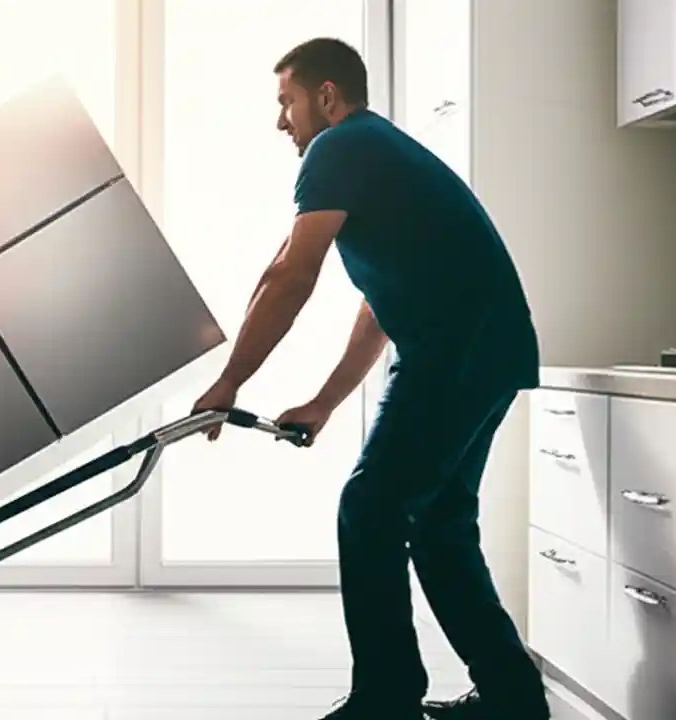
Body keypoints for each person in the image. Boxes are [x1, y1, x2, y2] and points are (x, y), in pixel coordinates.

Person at [190, 37, 550, 720]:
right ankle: (512, 701)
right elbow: (377, 305)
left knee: (371, 507)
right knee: (441, 524)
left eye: (286, 102)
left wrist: (229, 382)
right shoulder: (372, 153)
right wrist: (325, 401)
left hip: (457, 351)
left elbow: (290, 275)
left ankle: (386, 699)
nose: (280, 121)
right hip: (480, 350)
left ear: (326, 96)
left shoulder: (342, 146)